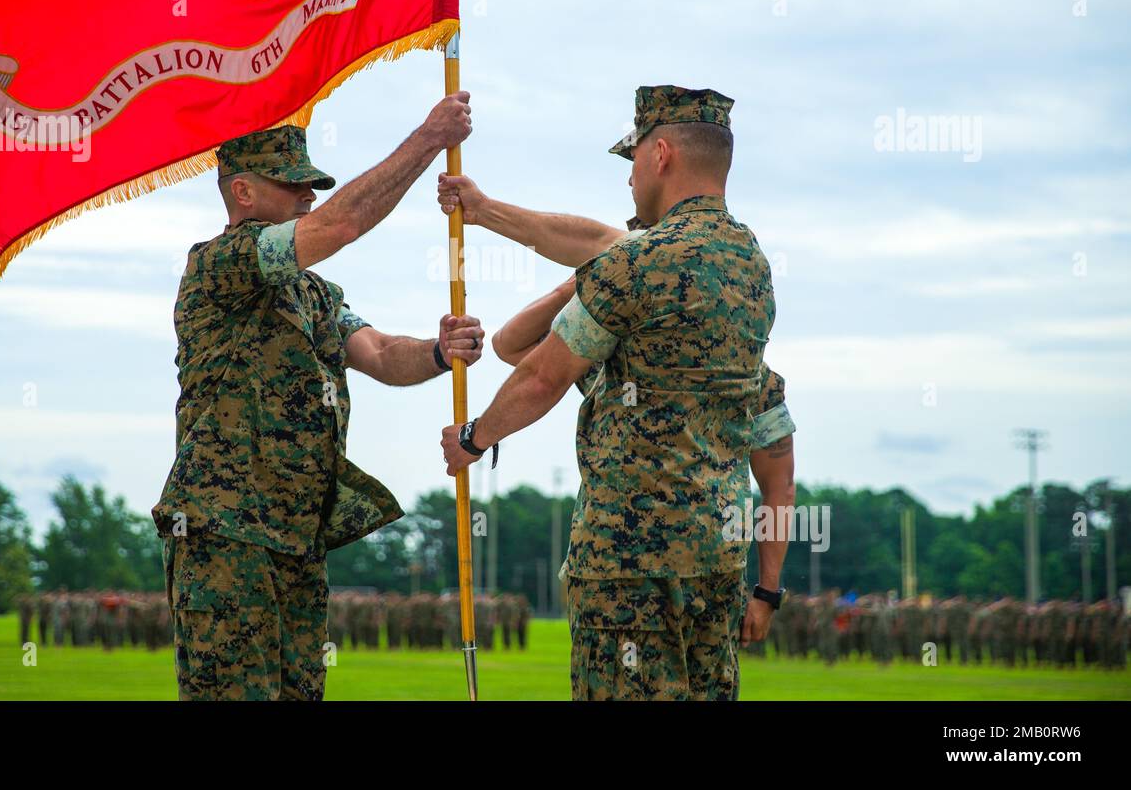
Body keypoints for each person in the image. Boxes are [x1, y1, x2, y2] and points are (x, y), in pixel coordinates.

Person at [439, 85, 775, 700]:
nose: (629, 179)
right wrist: (486, 211)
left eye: (635, 157)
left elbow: (542, 373)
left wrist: (473, 437)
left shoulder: (640, 264)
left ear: (662, 154)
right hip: (716, 561)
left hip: (629, 565)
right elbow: (599, 243)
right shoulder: (749, 263)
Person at [152, 95, 482, 701]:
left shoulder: (316, 294)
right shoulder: (218, 265)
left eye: (312, 185)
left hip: (297, 539)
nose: (308, 195)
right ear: (244, 192)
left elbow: (381, 354)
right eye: (293, 184)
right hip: (228, 536)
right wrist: (429, 137)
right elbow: (339, 226)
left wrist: (438, 352)